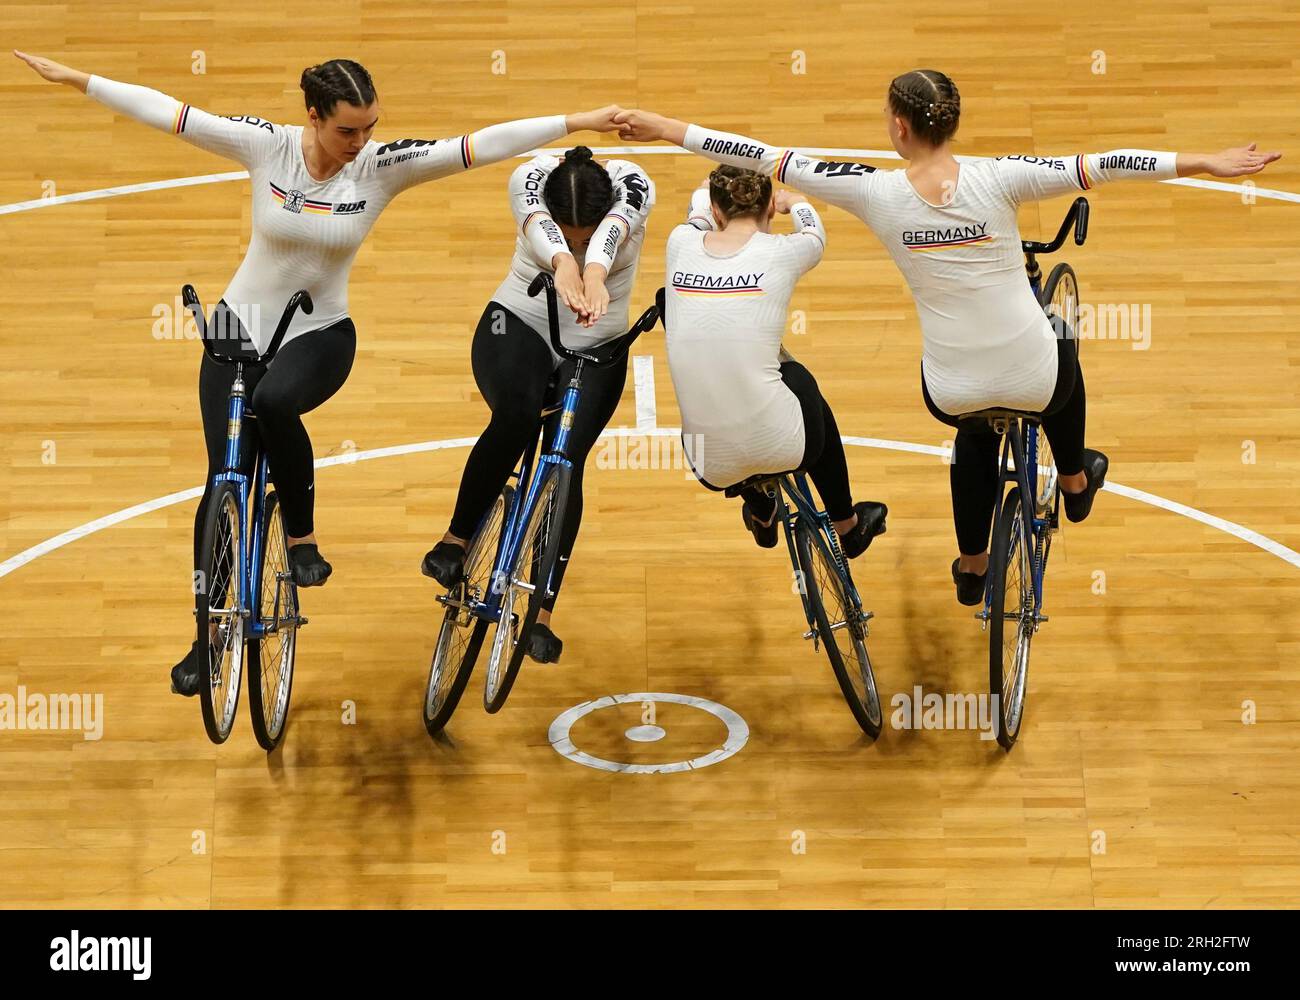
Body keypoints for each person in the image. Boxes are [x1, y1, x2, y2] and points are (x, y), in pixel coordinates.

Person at [13, 49, 623, 690]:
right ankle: (209, 633)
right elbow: (172, 113)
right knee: (221, 476)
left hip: (322, 331)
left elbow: (478, 145)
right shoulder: (266, 147)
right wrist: (79, 79)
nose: (362, 142)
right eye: (347, 130)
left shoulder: (382, 168)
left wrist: (576, 120)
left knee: (275, 403)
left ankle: (301, 540)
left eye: (370, 126)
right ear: (313, 115)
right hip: (234, 324)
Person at [613, 76, 1280, 603]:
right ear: (951, 121)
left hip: (951, 387)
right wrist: (1205, 161)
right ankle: (1075, 481)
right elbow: (1105, 163)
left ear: (898, 127)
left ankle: (972, 563)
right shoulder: (1004, 176)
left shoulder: (872, 191)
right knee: (1061, 349)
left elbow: (761, 156)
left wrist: (664, 128)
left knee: (974, 430)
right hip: (1033, 376)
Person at [421, 147, 655, 664]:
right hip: (518, 322)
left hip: (597, 343)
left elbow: (613, 233)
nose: (576, 241)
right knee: (517, 415)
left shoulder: (633, 184)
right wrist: (563, 263)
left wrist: (592, 273)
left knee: (565, 463)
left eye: (584, 234)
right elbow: (548, 239)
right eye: (566, 232)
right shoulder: (530, 176)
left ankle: (542, 613)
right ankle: (456, 539)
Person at [664, 165, 886, 556]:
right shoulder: (783, 252)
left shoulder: (680, 243)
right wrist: (795, 201)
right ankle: (847, 525)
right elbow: (814, 234)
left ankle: (763, 512)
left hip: (708, 463)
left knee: (727, 391)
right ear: (768, 205)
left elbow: (696, 211)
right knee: (801, 383)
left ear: (716, 210)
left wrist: (704, 194)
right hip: (791, 448)